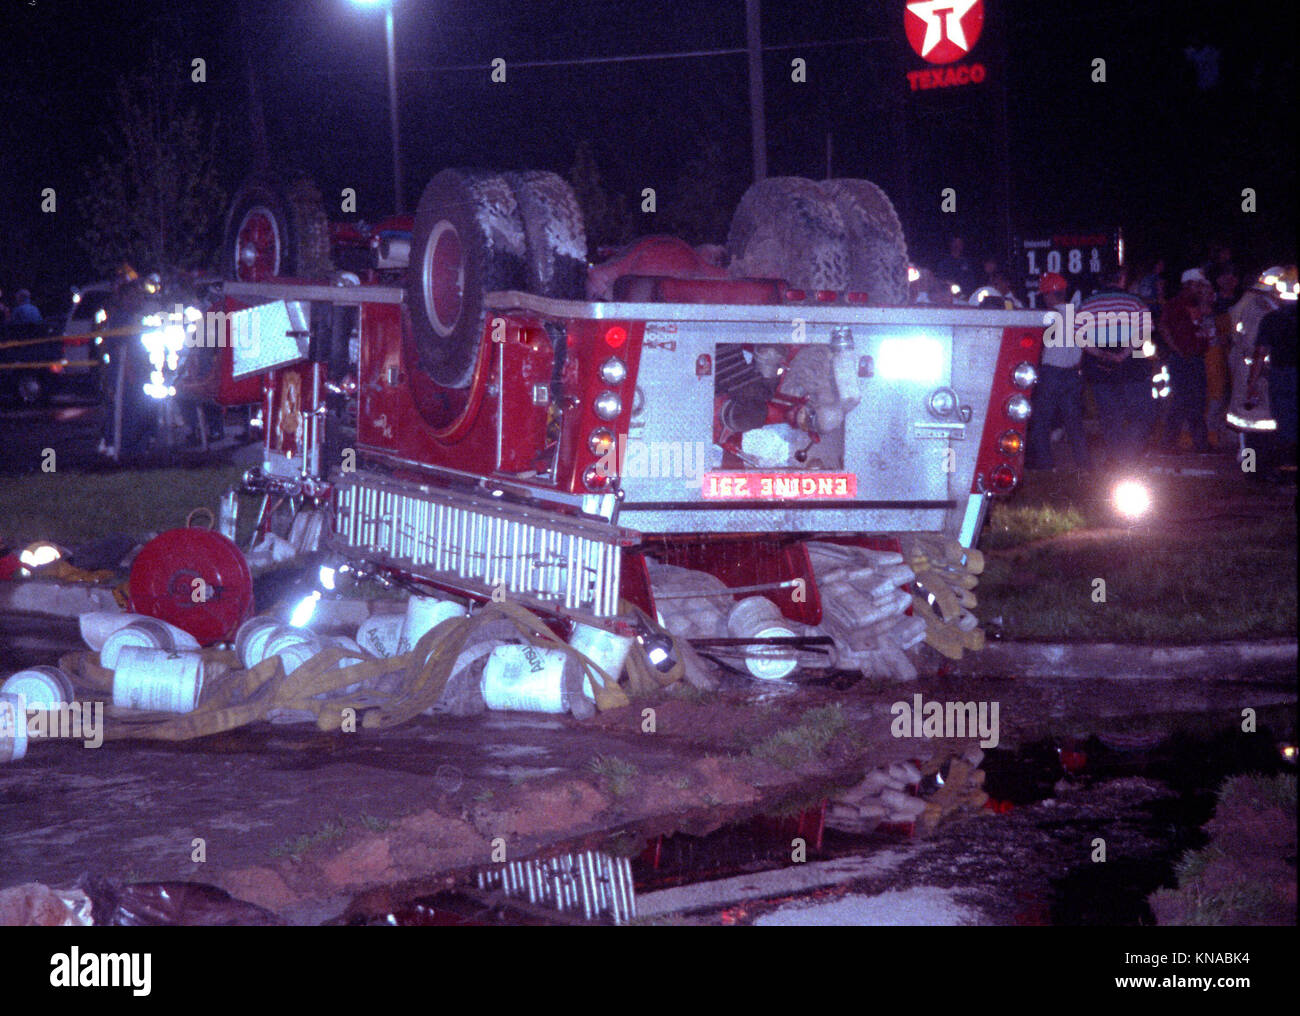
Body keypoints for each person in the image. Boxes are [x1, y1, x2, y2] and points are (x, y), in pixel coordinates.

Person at [1080, 269, 1155, 468]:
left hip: (1100, 367)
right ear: (1122, 279)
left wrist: (1102, 354)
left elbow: (1079, 337)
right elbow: (1145, 332)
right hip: (1132, 367)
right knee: (1141, 415)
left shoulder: (1088, 303)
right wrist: (1124, 353)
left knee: (1110, 416)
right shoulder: (1135, 301)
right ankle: (1127, 457)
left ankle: (1115, 457)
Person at [1026, 273, 1091, 471]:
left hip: (1050, 375)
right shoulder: (1079, 315)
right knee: (1074, 426)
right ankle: (1085, 468)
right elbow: (1085, 348)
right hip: (1072, 375)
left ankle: (1047, 468)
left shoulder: (1048, 317)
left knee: (1040, 424)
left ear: (1049, 295)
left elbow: (1039, 347)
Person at [1156, 268, 1214, 453]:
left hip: (1196, 358)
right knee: (1180, 402)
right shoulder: (1175, 304)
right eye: (1198, 284)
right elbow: (1163, 328)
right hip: (1182, 360)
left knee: (1197, 401)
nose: (1200, 288)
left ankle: (1200, 443)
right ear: (1188, 284)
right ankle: (1168, 443)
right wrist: (1177, 350)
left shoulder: (1199, 305)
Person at [1253, 297, 1297, 481]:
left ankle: (1287, 471)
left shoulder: (1272, 318)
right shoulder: (1270, 316)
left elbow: (1260, 351)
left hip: (1281, 375)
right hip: (1281, 374)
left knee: (1285, 423)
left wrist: (1251, 382)